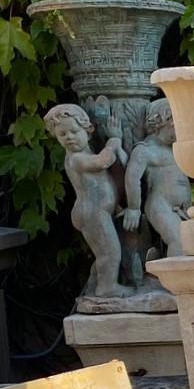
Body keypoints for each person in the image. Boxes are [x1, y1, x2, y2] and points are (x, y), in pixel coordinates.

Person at [46, 102, 131, 299]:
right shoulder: (77, 158)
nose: (69, 138)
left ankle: (95, 284)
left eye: (74, 131)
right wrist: (114, 140)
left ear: (89, 130)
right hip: (92, 212)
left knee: (104, 251)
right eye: (62, 134)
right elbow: (102, 162)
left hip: (97, 210)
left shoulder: (84, 151)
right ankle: (107, 289)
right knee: (110, 252)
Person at [123, 97, 189, 258]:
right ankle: (176, 282)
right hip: (160, 205)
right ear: (163, 121)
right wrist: (133, 208)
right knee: (179, 241)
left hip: (183, 208)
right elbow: (132, 179)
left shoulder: (177, 148)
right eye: (179, 123)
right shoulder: (146, 150)